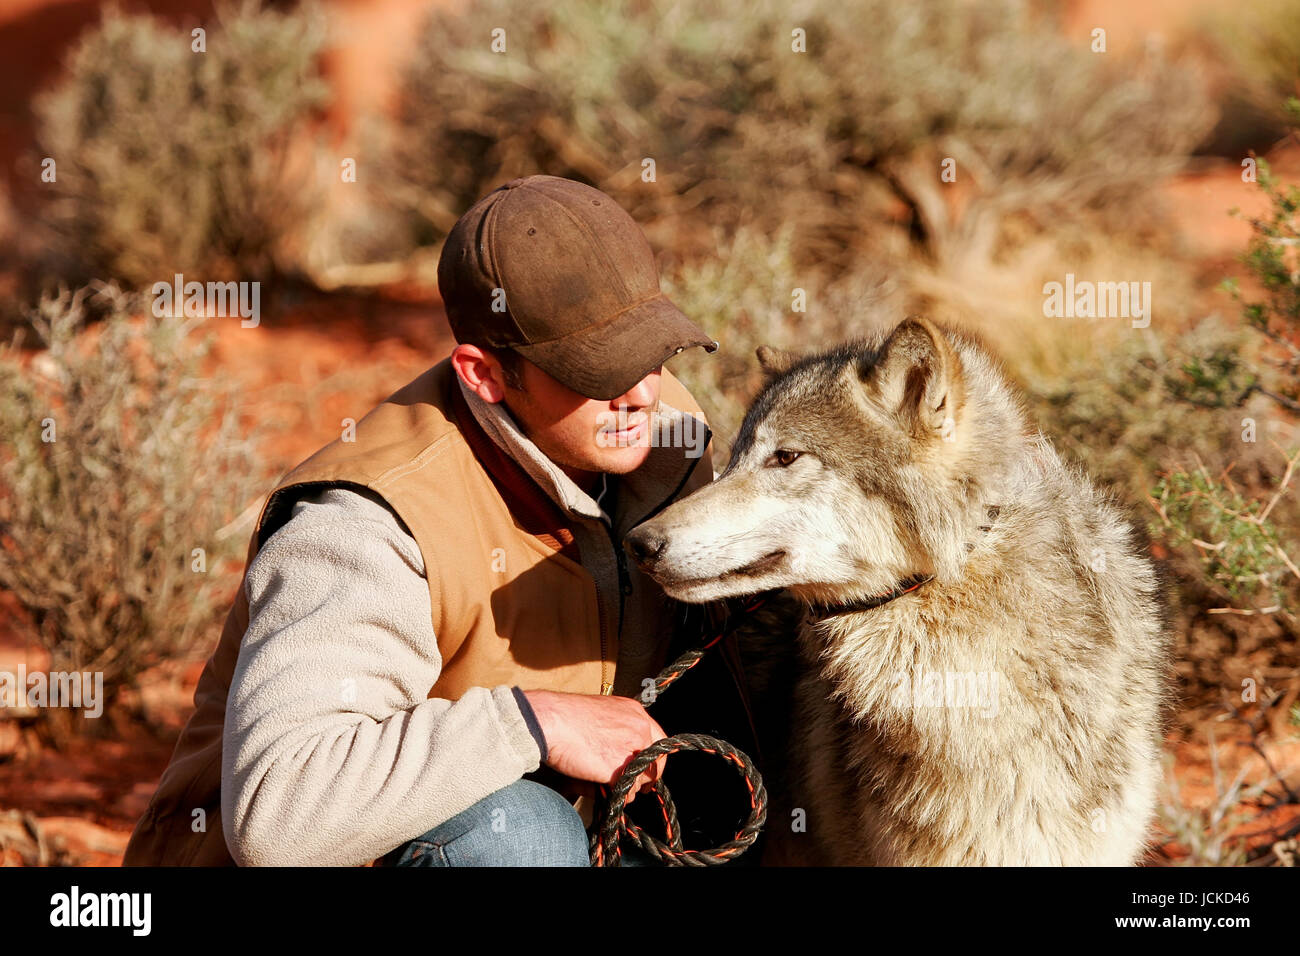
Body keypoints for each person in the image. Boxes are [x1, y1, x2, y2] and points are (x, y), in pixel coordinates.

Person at [123, 174, 762, 867]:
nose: (640, 393)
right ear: (484, 376)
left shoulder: (663, 439)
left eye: (651, 352)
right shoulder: (365, 525)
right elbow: (278, 814)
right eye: (598, 369)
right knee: (519, 837)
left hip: (589, 837)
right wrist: (534, 723)